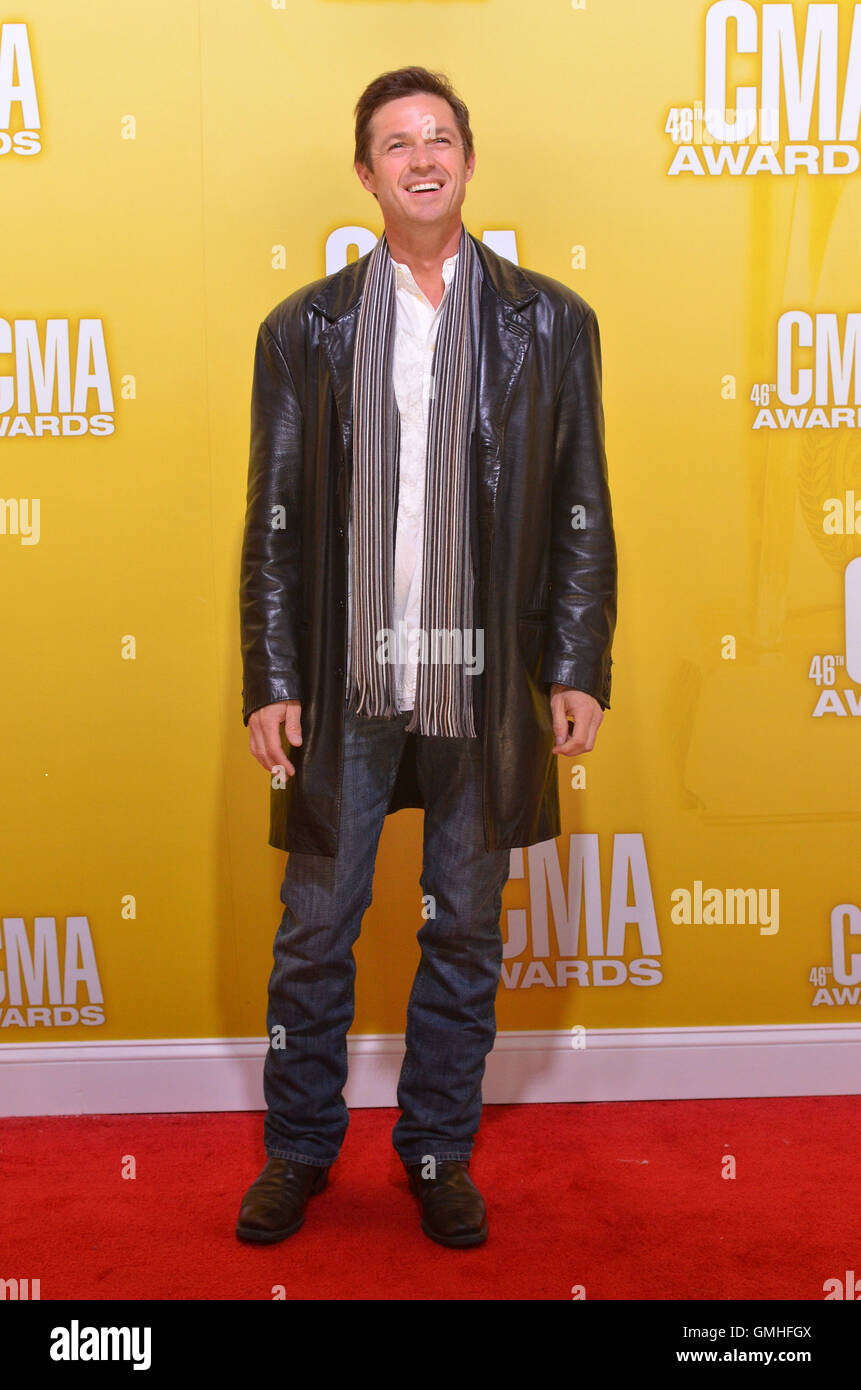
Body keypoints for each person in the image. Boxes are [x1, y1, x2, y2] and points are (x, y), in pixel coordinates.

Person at [236, 65, 617, 1248]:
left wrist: (575, 660)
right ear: (365, 174)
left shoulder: (551, 322)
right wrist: (271, 675)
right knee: (316, 926)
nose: (420, 157)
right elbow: (274, 517)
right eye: (395, 142)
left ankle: (439, 1146)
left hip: (485, 673)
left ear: (466, 158)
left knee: (464, 925)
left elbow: (580, 506)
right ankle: (299, 1150)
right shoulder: (305, 329)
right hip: (346, 670)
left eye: (438, 136)